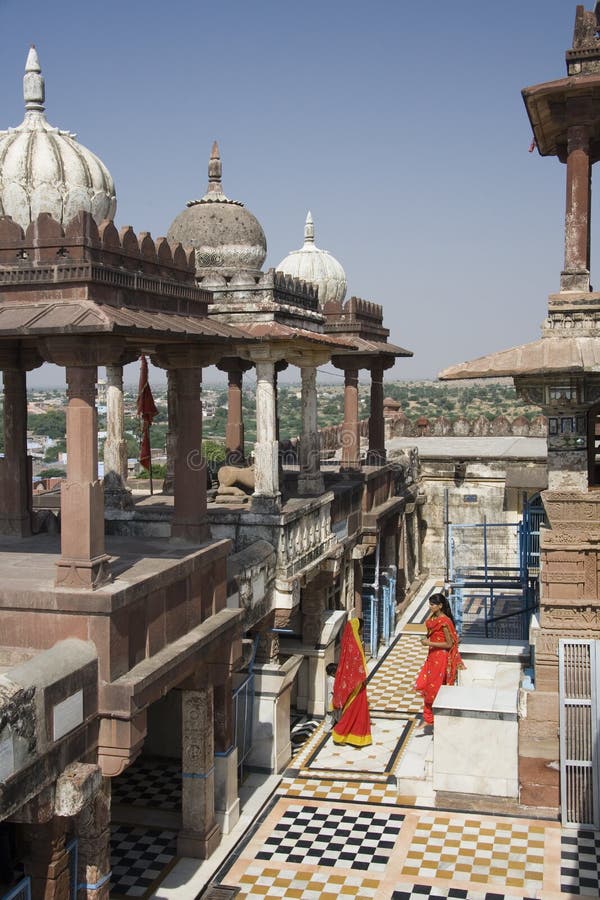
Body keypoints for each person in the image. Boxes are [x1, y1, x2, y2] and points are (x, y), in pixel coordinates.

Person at [414, 592, 465, 728]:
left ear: (440, 606)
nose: (430, 607)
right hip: (432, 656)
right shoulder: (434, 617)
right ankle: (428, 717)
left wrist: (429, 643)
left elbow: (449, 644)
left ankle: (435, 718)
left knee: (434, 688)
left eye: (432, 605)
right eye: (430, 604)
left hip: (440, 657)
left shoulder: (444, 621)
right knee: (426, 684)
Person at [332, 618, 372, 747]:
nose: (361, 631)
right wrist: (361, 680)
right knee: (353, 711)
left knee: (357, 711)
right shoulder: (353, 646)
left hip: (355, 683)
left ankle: (354, 737)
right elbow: (356, 666)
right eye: (360, 628)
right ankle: (340, 735)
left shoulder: (349, 643)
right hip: (355, 685)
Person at [324, 662, 339, 731]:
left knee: (334, 714)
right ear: (333, 673)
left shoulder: (330, 679)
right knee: (329, 715)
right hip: (331, 701)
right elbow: (334, 691)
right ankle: (326, 729)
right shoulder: (331, 681)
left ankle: (336, 724)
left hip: (331, 701)